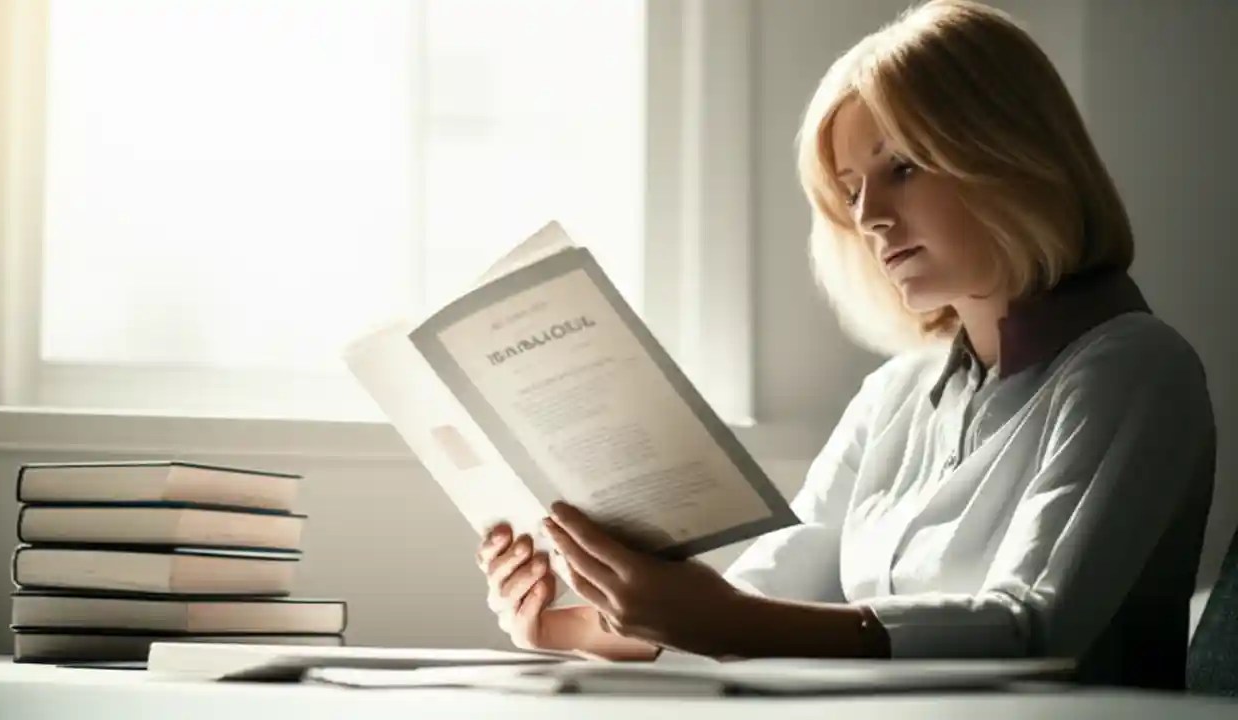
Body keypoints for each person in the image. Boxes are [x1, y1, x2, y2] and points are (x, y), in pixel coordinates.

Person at [474, 0, 1215, 688]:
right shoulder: (894, 394)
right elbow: (767, 593)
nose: (868, 217)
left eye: (902, 168)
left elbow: (1033, 629)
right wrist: (591, 625)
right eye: (852, 188)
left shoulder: (1135, 368)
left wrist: (722, 620)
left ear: (1010, 154)